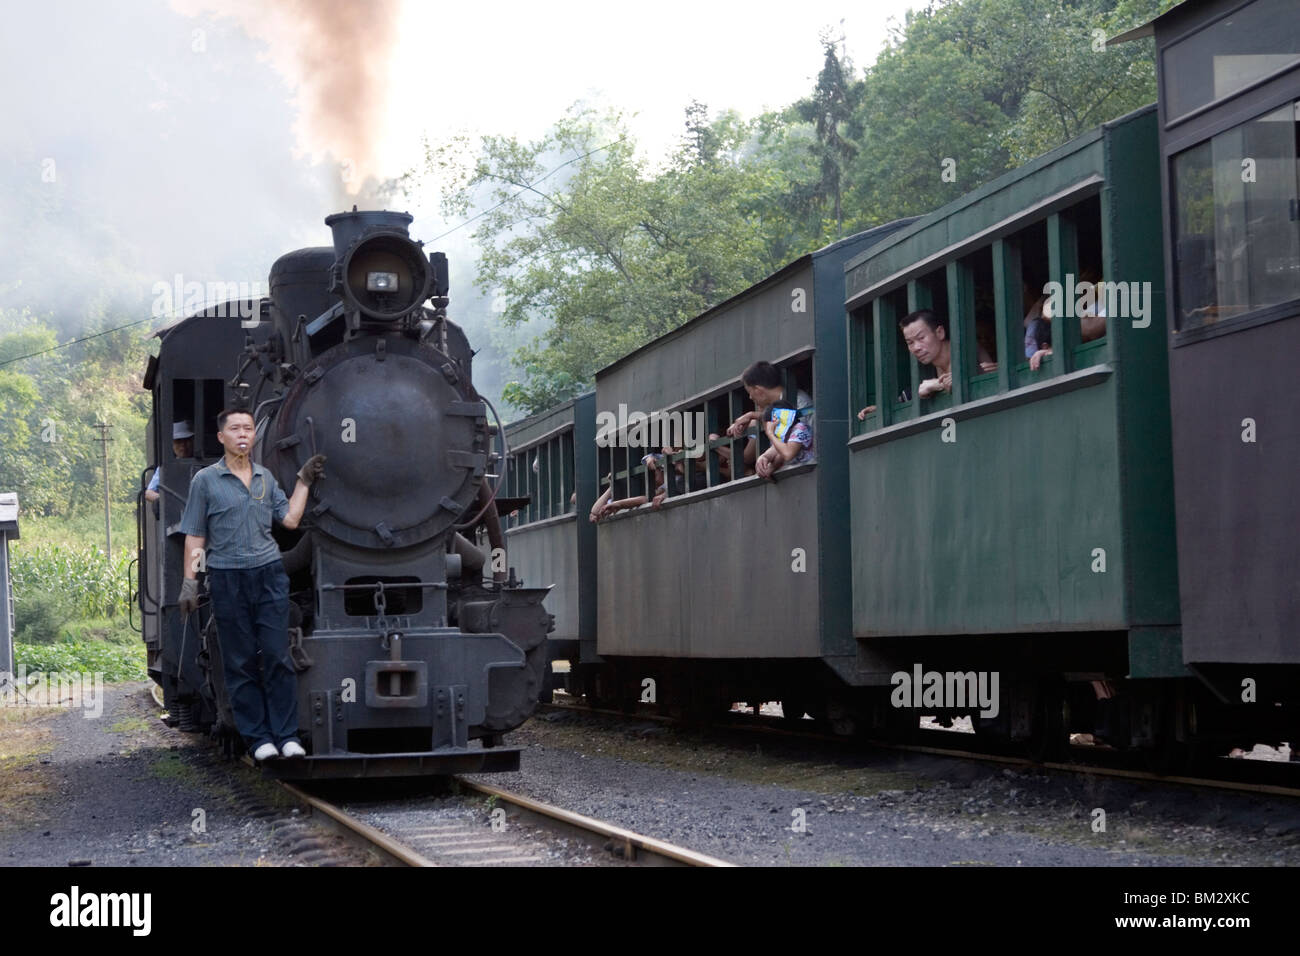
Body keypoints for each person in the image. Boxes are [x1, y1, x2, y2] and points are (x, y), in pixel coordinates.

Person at [177, 408, 325, 762]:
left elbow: (289, 520)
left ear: (254, 436)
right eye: (235, 429)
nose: (242, 434)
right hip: (227, 578)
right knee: (240, 661)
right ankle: (259, 739)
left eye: (247, 428)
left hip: (269, 574)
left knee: (277, 656)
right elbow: (195, 535)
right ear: (222, 437)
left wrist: (303, 481)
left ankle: (286, 736)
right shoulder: (205, 481)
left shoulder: (265, 479)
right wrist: (189, 582)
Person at [718, 361, 812, 476]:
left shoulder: (798, 402)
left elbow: (791, 443)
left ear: (758, 390)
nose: (750, 397)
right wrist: (751, 415)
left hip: (804, 472)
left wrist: (772, 465)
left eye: (750, 392)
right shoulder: (783, 405)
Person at [898, 309, 996, 399]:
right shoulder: (935, 365)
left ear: (940, 332)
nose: (916, 348)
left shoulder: (968, 350)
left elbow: (991, 378)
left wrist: (938, 384)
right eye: (910, 343)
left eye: (921, 338)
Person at [756, 405, 814, 479]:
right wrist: (763, 458)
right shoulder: (783, 436)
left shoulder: (800, 428)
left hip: (812, 475)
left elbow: (787, 454)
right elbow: (774, 452)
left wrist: (770, 434)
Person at [145, 420, 195, 502]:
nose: (183, 445)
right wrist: (169, 501)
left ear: (192, 441)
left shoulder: (205, 467)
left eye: (186, 440)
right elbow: (149, 493)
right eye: (178, 441)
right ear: (172, 444)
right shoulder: (165, 468)